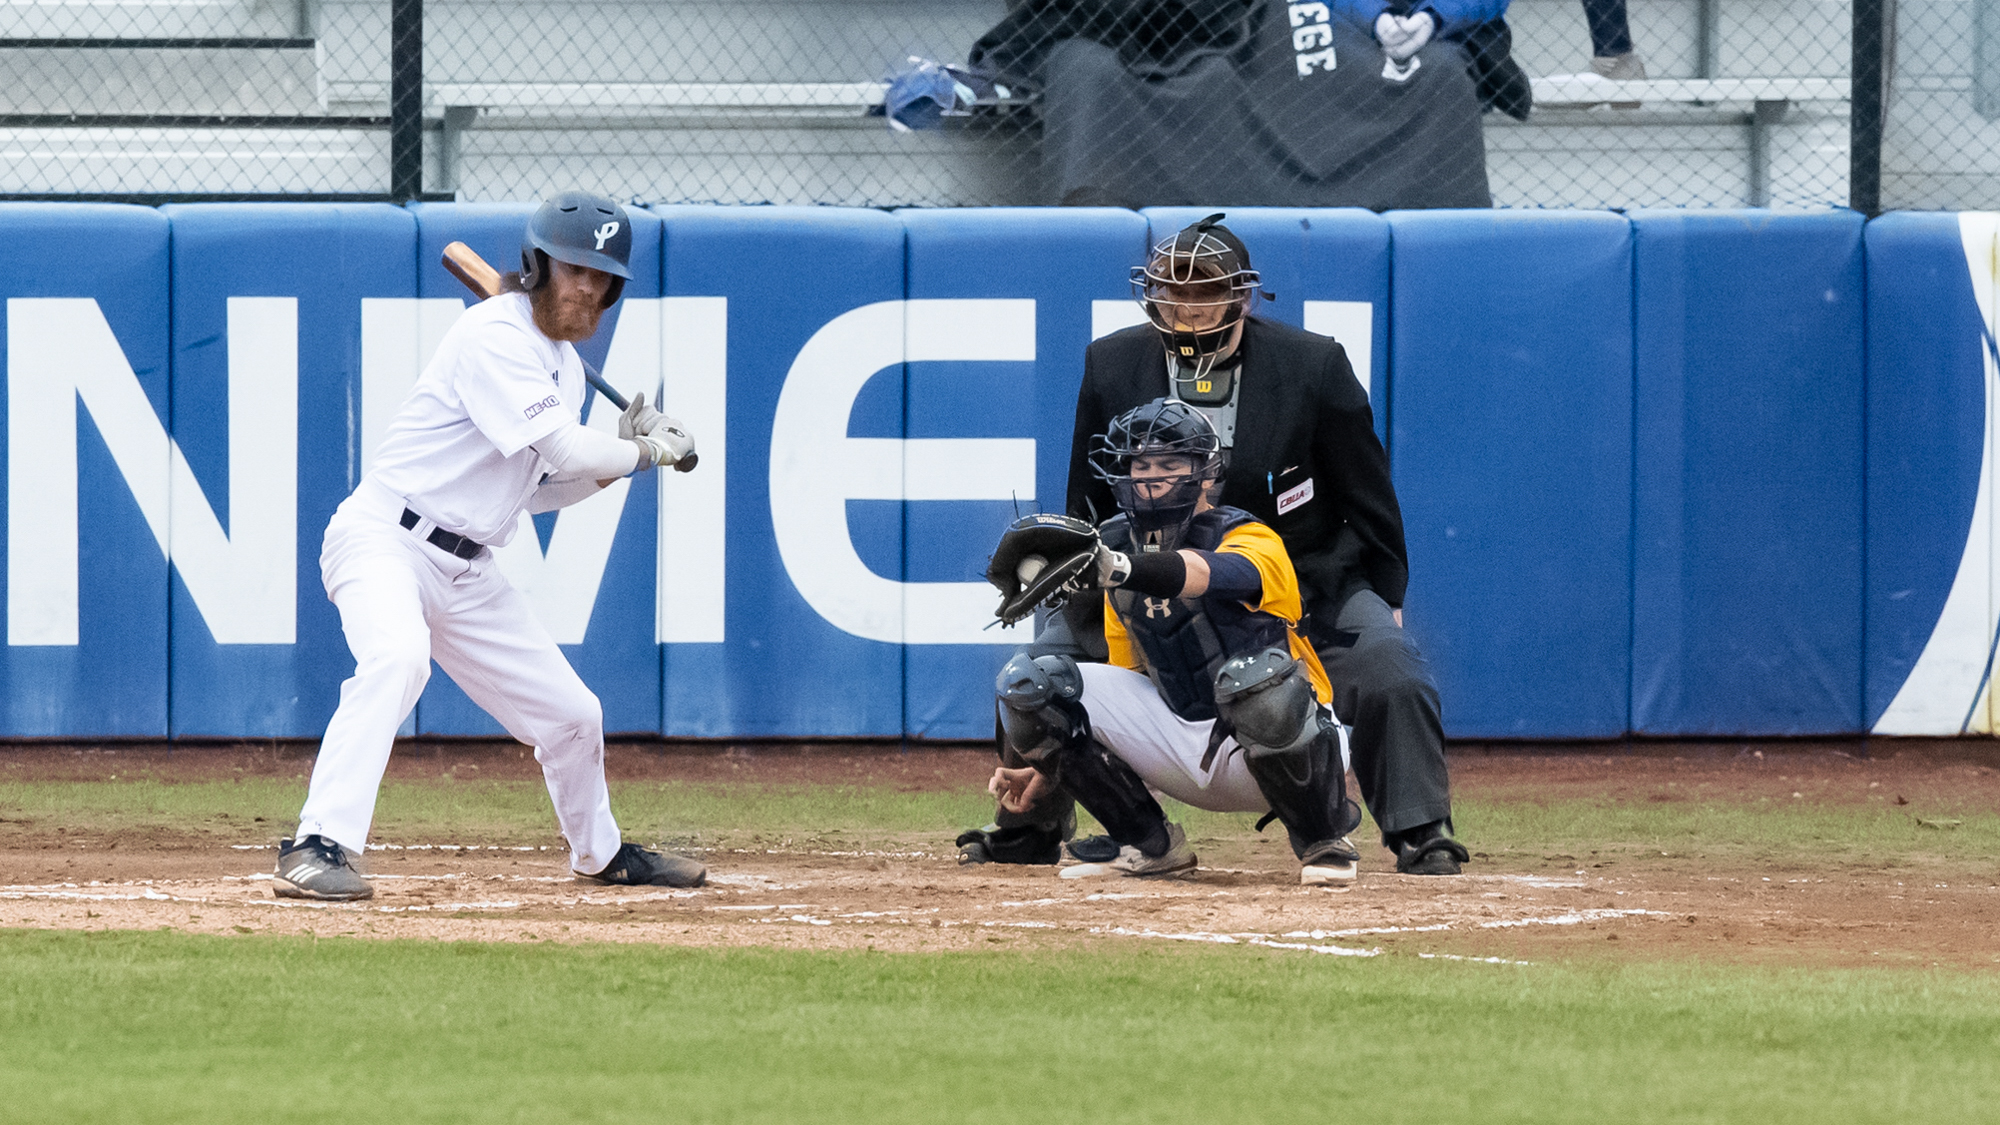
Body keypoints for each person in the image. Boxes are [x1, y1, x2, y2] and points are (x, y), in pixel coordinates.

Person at [962, 214, 1469, 876]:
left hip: (1297, 582)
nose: (1189, 307)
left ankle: (1419, 829)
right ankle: (1031, 820)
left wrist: (1385, 594)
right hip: (1143, 579)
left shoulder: (1313, 365)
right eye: (1175, 293)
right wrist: (1081, 589)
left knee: (1388, 665)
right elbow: (1085, 503)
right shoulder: (1111, 362)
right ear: (1151, 296)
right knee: (1040, 664)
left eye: (1205, 292)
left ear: (1243, 296)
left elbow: (1369, 500)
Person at [273, 192, 706, 901]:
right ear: (537, 266)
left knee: (573, 714)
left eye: (602, 279)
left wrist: (623, 456)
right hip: (385, 538)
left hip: (467, 566)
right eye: (575, 270)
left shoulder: (560, 367)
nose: (588, 289)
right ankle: (317, 841)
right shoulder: (493, 338)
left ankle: (599, 853)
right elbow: (565, 446)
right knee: (398, 658)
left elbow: (541, 488)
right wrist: (648, 452)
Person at [984, 398, 1363, 884]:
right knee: (1031, 681)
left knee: (1254, 678)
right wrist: (1052, 773)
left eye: (1170, 462)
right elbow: (1126, 686)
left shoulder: (1246, 533)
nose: (1152, 476)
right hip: (1183, 740)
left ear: (1205, 472)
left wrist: (1122, 569)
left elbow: (1211, 573)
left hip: (1283, 740)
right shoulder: (1115, 543)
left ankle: (1324, 838)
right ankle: (1147, 843)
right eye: (1141, 465)